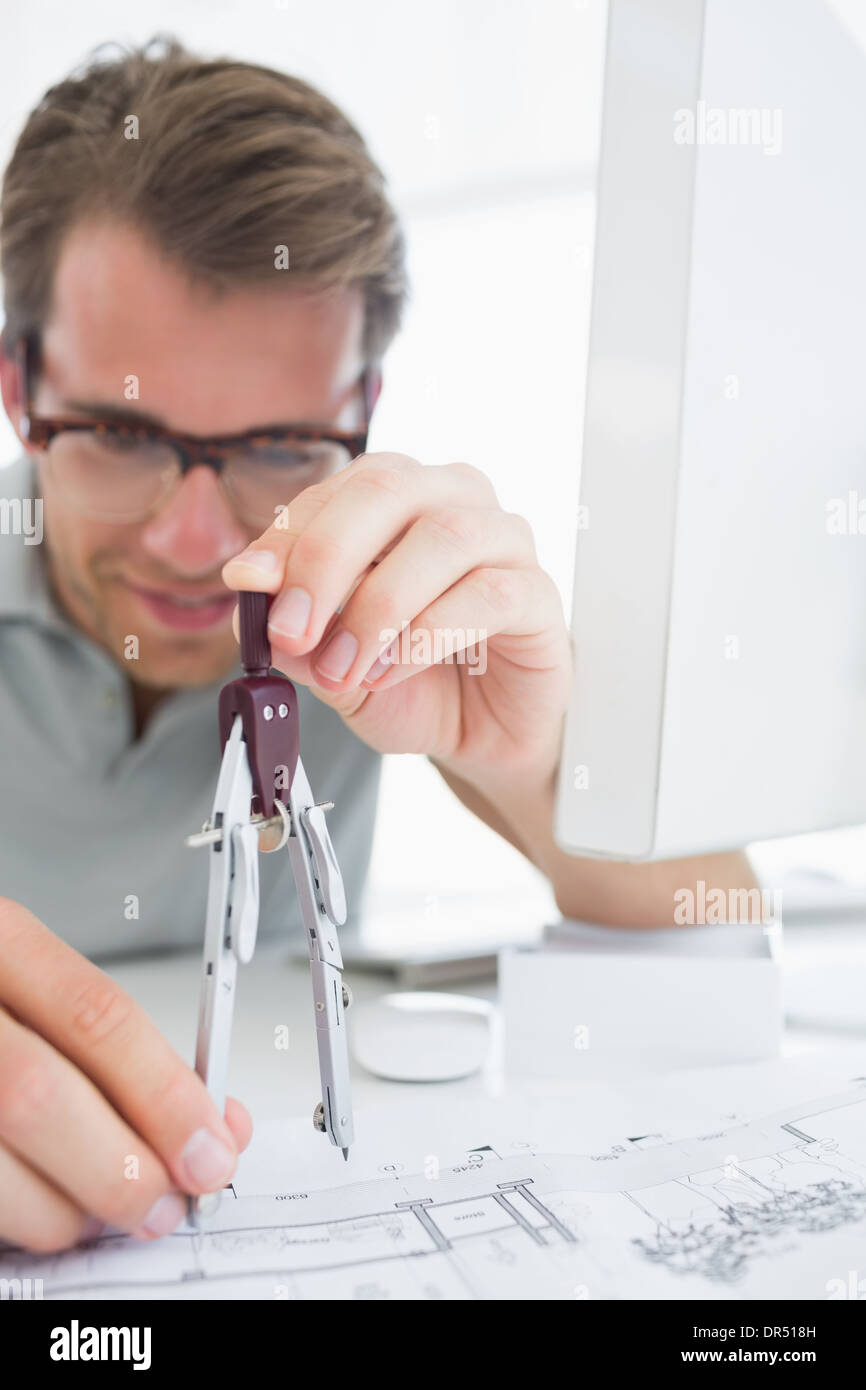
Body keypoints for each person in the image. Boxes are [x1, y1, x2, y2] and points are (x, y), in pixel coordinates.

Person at [0, 38, 758, 1253]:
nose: (197, 543)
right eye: (121, 434)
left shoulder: (381, 603)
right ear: (16, 390)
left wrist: (537, 753)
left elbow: (714, 936)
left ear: (360, 415)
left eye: (278, 444)